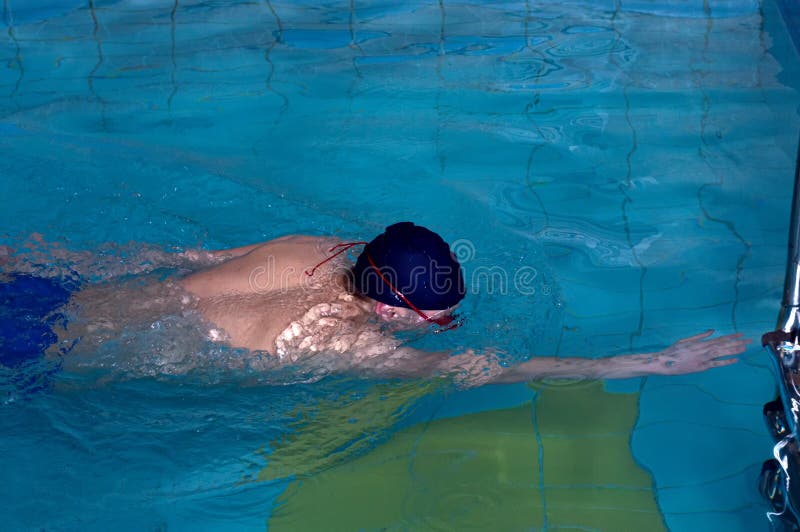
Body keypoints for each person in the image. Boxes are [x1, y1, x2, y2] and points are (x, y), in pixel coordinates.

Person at [1, 222, 749, 386]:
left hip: (70, 290)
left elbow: (184, 256)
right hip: (53, 349)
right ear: (392, 311)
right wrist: (647, 361)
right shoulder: (346, 345)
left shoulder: (316, 250)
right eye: (439, 318)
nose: (449, 328)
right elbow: (492, 371)